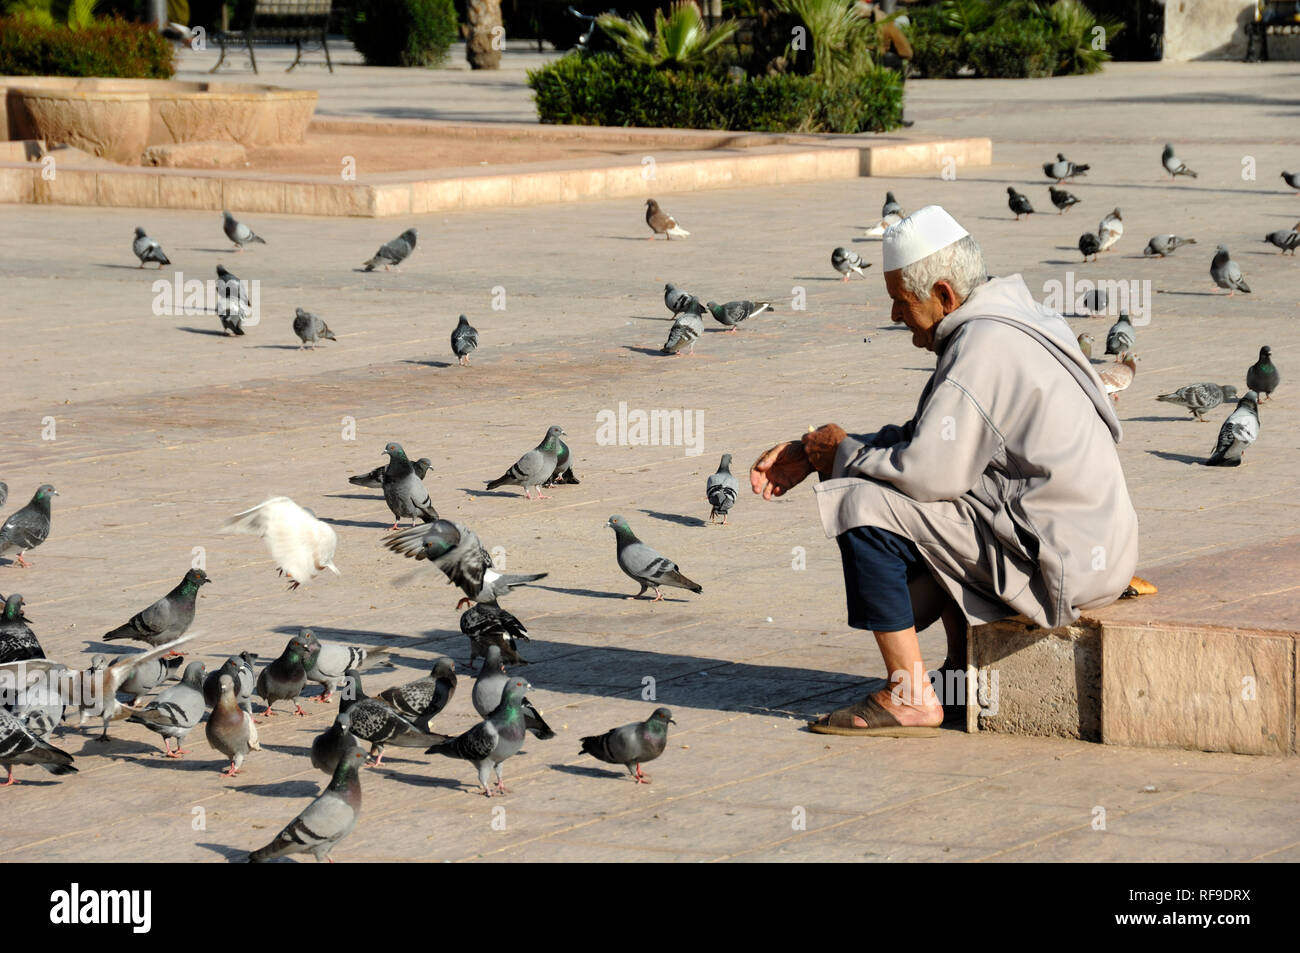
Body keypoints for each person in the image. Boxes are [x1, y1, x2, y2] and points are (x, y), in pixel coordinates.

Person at [749, 206, 1139, 736]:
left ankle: (909, 695)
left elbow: (928, 472)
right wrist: (815, 447)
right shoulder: (1015, 316)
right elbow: (929, 439)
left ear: (943, 295)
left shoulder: (981, 347)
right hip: (1097, 547)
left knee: (858, 500)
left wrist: (841, 457)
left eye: (900, 301)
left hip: (1062, 563)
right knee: (907, 491)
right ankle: (958, 672)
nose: (893, 316)